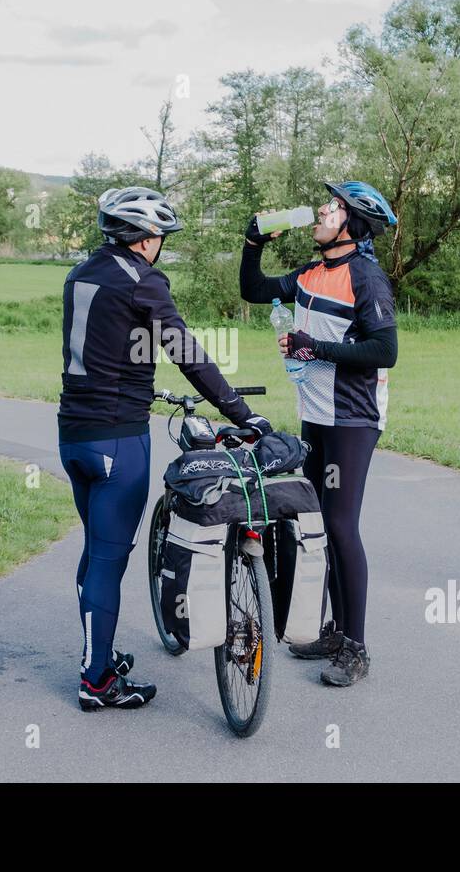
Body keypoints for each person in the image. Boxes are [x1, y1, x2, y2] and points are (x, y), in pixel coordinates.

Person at [59, 186, 271, 710]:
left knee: (95, 552)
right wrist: (241, 413)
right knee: (110, 560)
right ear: (143, 238)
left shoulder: (81, 273)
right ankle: (96, 682)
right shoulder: (143, 279)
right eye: (158, 236)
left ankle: (99, 655)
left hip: (73, 434)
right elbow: (187, 352)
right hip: (117, 437)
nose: (160, 246)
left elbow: (102, 348)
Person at [239, 181, 398, 687]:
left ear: (350, 223)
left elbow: (383, 351)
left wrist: (316, 348)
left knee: (341, 525)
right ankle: (329, 630)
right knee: (317, 524)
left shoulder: (366, 277)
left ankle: (357, 648)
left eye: (332, 207)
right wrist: (252, 243)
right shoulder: (311, 274)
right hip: (316, 415)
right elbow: (254, 289)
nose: (321, 212)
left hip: (353, 418)